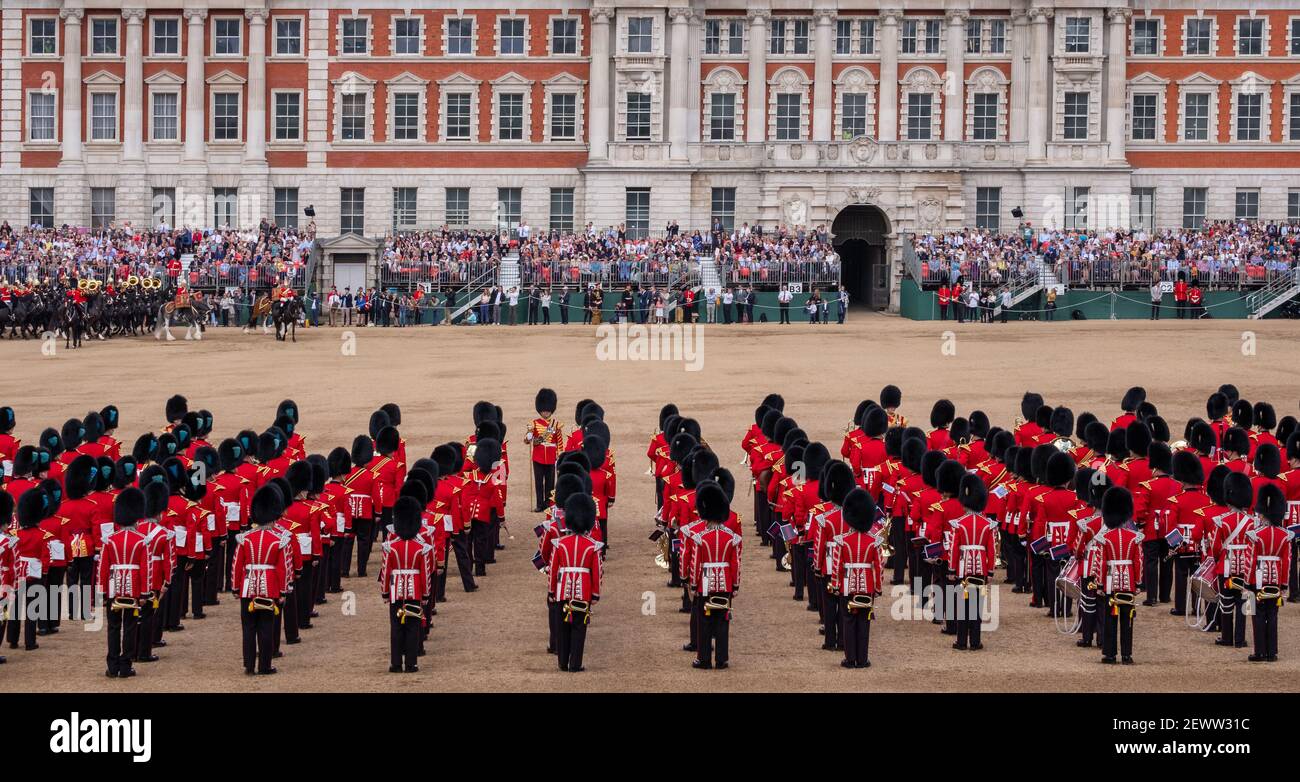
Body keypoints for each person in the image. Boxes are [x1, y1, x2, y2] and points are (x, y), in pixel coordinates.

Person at [231, 484, 290, 675]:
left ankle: (249, 664)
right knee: (266, 627)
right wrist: (283, 590)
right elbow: (283, 569)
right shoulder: (278, 539)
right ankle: (265, 665)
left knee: (248, 627)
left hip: (247, 586)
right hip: (270, 587)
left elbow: (237, 565)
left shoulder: (245, 538)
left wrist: (235, 587)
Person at [98, 488, 151, 678]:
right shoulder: (141, 541)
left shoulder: (109, 540)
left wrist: (101, 592)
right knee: (129, 626)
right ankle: (126, 666)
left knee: (113, 627)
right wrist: (145, 593)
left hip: (113, 587)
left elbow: (102, 569)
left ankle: (112, 666)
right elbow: (146, 569)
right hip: (134, 587)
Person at [690, 479, 741, 670]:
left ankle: (703, 659)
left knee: (704, 621)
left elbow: (696, 563)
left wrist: (694, 585)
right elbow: (736, 564)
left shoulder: (700, 538)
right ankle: (721, 659)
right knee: (722, 620)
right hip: (725, 583)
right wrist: (735, 586)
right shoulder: (732, 538)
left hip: (705, 583)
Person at [549, 492, 602, 672]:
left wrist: (551, 591)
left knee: (562, 626)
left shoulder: (559, 544)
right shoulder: (592, 545)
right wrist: (595, 593)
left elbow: (553, 570)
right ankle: (575, 664)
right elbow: (597, 572)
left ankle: (562, 662)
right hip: (584, 590)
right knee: (579, 627)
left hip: (562, 589)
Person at [832, 487, 882, 668]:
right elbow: (878, 567)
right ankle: (862, 659)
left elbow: (837, 565)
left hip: (847, 585)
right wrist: (878, 587)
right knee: (864, 622)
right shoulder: (873, 541)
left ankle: (850, 658)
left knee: (848, 620)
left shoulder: (842, 541)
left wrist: (836, 584)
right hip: (867, 585)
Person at [1092, 486, 1143, 664]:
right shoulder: (1134, 537)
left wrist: (1099, 585)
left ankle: (1110, 654)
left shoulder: (1104, 538)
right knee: (1128, 619)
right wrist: (1138, 583)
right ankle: (1127, 655)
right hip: (1128, 582)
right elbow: (1138, 562)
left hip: (1109, 582)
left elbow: (1100, 563)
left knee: (1110, 618)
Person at [380, 497, 431, 673]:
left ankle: (395, 663)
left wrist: (385, 592)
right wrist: (425, 595)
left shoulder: (391, 547)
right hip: (414, 590)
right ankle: (411, 663)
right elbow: (424, 573)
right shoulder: (421, 547)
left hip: (395, 590)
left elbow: (386, 571)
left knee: (396, 626)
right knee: (412, 626)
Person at [1248, 484, 1291, 662]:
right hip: (1276, 578)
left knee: (1258, 614)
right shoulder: (1285, 535)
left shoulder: (1255, 534)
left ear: (1263, 513)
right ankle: (1272, 652)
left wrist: (1247, 583)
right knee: (1273, 614)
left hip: (1257, 579)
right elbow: (1287, 562)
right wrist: (1284, 584)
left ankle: (1260, 652)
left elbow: (1250, 560)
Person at [528, 389, 564, 513]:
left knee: (550, 483)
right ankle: (539, 504)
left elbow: (559, 441)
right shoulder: (534, 423)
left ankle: (548, 504)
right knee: (539, 482)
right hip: (538, 456)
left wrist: (560, 455)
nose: (545, 413)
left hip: (551, 456)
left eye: (548, 410)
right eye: (543, 410)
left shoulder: (556, 424)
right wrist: (529, 437)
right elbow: (527, 440)